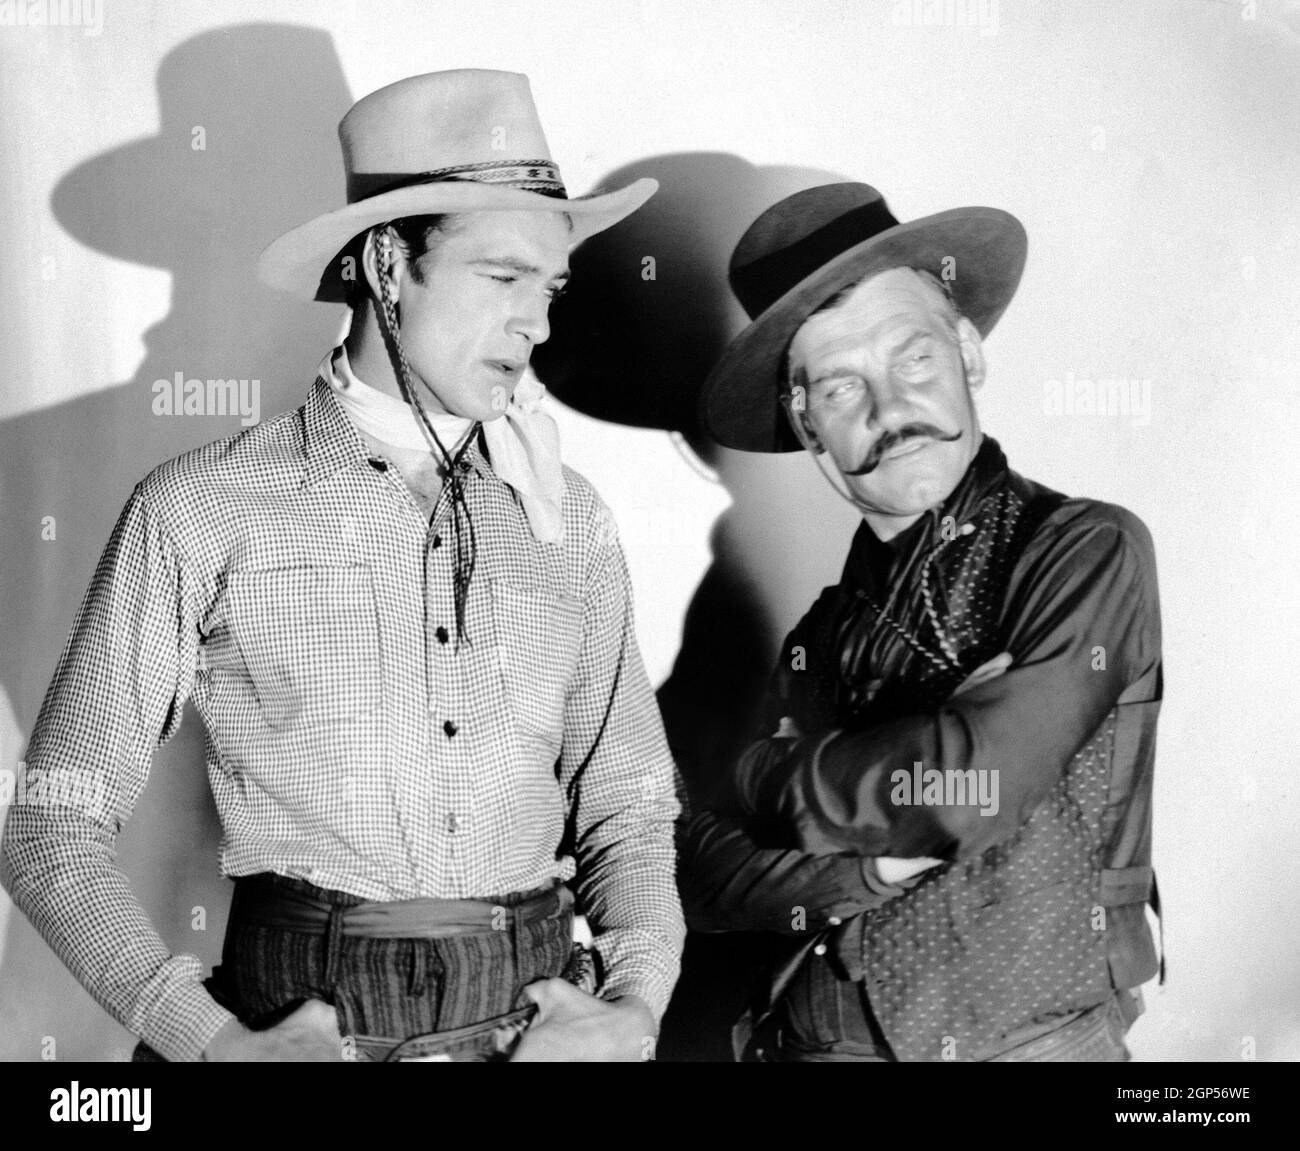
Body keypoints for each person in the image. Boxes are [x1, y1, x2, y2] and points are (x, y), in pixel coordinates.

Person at [1, 69, 683, 1062]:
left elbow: (629, 804)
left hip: (537, 1022)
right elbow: (52, 830)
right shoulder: (200, 503)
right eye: (501, 278)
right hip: (298, 1017)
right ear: (383, 262)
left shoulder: (568, 516)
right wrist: (212, 1042)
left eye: (550, 287)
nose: (537, 323)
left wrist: (634, 1009)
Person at [681, 182, 1162, 1062]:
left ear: (968, 352)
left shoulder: (1085, 550)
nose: (890, 409)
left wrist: (770, 776)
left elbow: (972, 786)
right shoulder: (816, 632)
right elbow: (699, 864)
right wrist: (864, 863)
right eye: (838, 385)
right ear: (804, 421)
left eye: (913, 358)